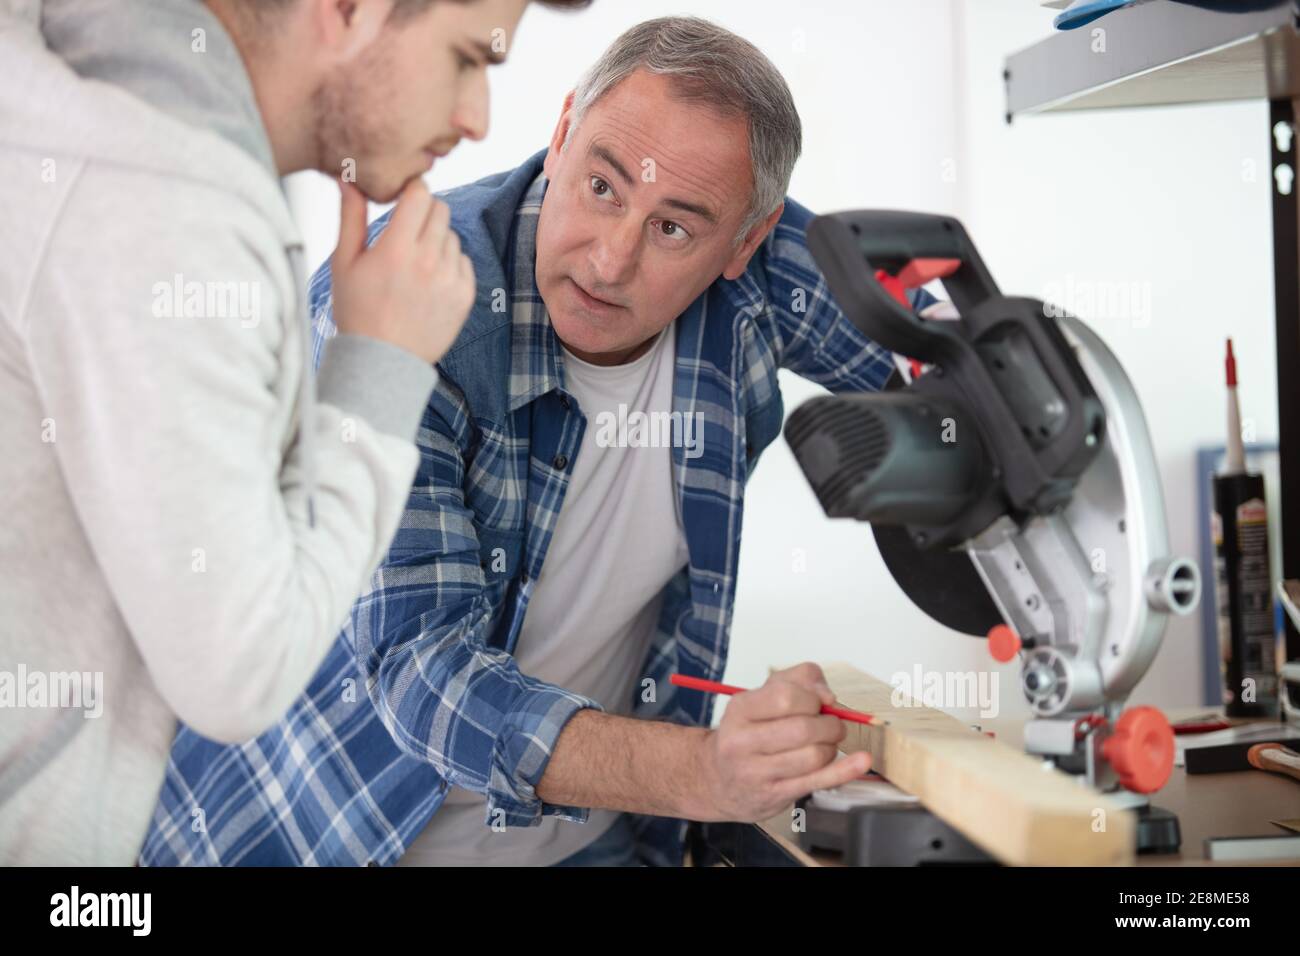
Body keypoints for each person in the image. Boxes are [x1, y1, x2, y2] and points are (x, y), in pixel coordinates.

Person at [144, 16, 942, 868]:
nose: (609, 261)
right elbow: (425, 676)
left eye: (674, 230)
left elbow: (952, 362)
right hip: (309, 835)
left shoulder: (758, 269)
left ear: (745, 240)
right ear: (561, 134)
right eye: (602, 187)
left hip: (588, 843)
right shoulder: (405, 305)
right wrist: (707, 772)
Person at [0, 0, 588, 865]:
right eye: (470, 59)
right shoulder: (164, 206)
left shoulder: (88, 97)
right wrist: (380, 364)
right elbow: (237, 672)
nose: (478, 118)